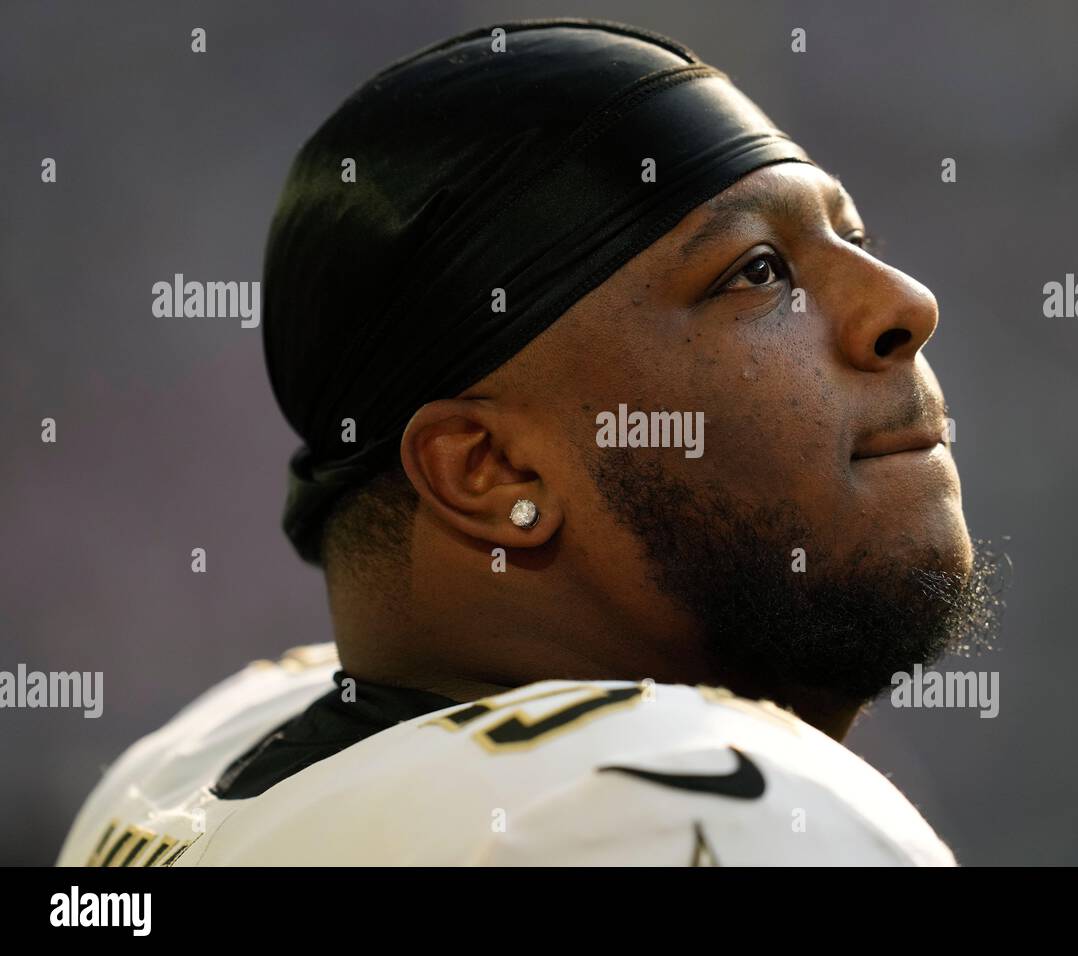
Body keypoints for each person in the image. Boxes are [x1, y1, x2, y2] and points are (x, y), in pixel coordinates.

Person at [57, 18, 998, 867]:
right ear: (492, 471)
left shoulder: (185, 766)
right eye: (755, 270)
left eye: (856, 237)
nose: (905, 303)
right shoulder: (690, 809)